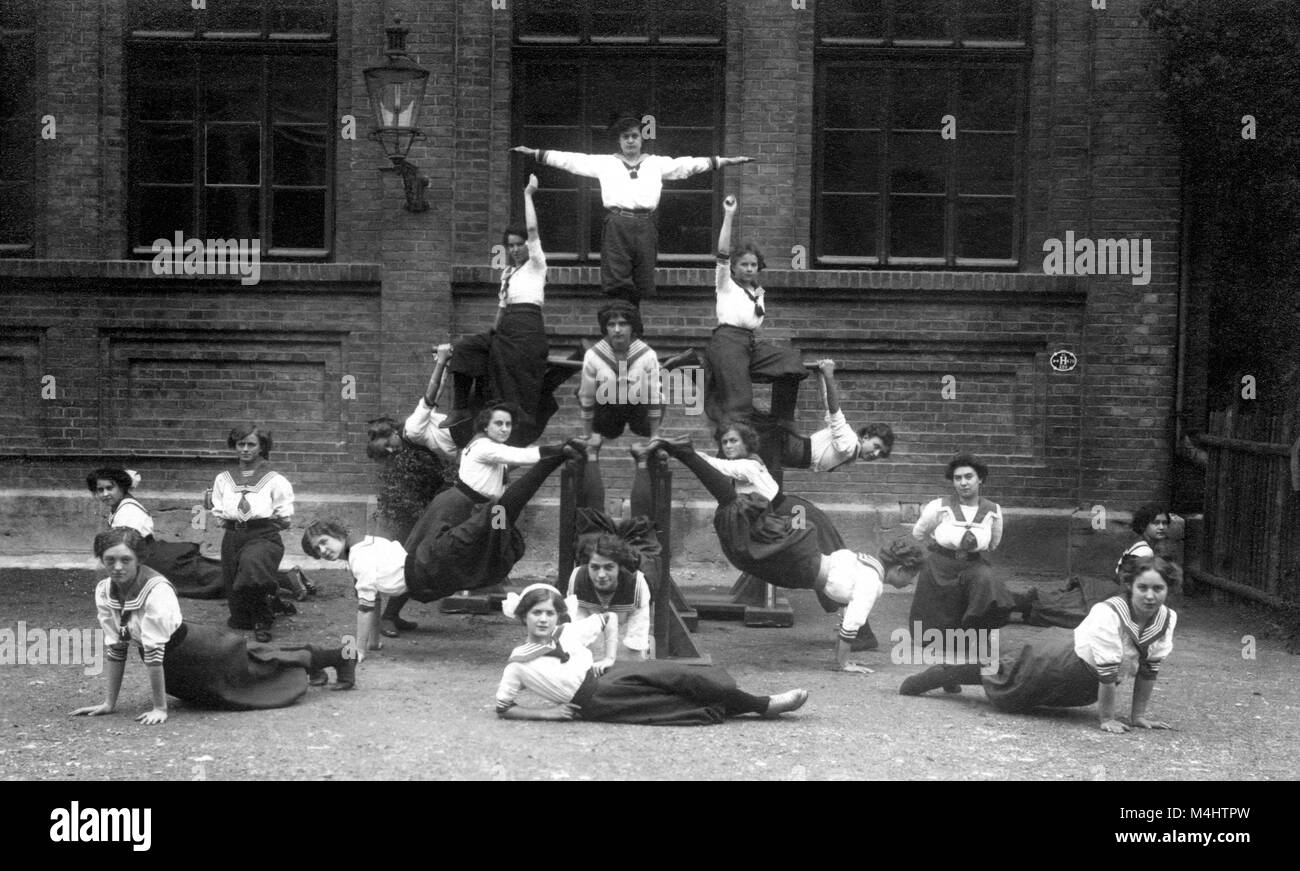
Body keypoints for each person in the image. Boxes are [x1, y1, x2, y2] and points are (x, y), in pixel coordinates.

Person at [647, 429, 924, 667]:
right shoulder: (872, 584)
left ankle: (685, 454)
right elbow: (851, 624)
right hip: (800, 565)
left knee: (736, 519)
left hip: (804, 552)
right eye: (910, 577)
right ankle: (686, 453)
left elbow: (836, 553)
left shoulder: (862, 560)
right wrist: (843, 663)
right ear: (899, 568)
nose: (909, 583)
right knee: (740, 536)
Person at [71, 529, 354, 726]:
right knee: (260, 665)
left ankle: (338, 657)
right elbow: (117, 648)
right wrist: (109, 703)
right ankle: (318, 662)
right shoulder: (104, 591)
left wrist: (160, 707)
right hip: (174, 668)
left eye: (126, 560)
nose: (117, 567)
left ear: (140, 559)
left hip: (201, 652)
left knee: (261, 665)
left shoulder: (156, 589)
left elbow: (155, 652)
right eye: (110, 560)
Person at [900, 555, 1181, 735]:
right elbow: (1107, 674)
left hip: (1084, 683)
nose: (1150, 596)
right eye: (1142, 588)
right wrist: (1106, 718)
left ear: (1168, 590)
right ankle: (943, 674)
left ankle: (951, 673)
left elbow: (1148, 670)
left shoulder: (1167, 619)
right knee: (1007, 679)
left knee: (1011, 678)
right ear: (1130, 587)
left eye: (1158, 589)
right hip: (1060, 663)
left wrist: (1138, 716)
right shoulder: (1109, 613)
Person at [513, 112, 753, 306]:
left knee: (641, 282)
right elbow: (572, 161)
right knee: (618, 282)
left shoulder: (655, 164)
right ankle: (619, 325)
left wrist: (725, 162)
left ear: (641, 139)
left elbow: (688, 165)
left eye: (634, 136)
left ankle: (634, 329)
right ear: (619, 140)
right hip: (618, 225)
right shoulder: (605, 164)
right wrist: (536, 153)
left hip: (645, 226)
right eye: (626, 136)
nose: (630, 141)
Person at [495, 584, 808, 725]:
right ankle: (761, 707)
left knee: (678, 676)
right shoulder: (518, 663)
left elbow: (608, 619)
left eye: (549, 613)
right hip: (596, 700)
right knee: (675, 703)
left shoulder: (568, 632)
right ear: (524, 617)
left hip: (607, 674)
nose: (543, 620)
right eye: (536, 613)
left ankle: (761, 703)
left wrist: (607, 656)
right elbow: (504, 706)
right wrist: (547, 713)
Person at [403, 404, 586, 603]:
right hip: (457, 507)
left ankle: (494, 580)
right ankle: (390, 614)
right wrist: (560, 449)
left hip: (486, 510)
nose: (504, 428)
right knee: (423, 559)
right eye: (498, 423)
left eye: (508, 424)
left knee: (499, 536)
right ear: (485, 426)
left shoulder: (490, 447)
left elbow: (509, 464)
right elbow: (522, 456)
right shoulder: (484, 446)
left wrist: (558, 454)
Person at [443, 175, 552, 443]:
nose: (515, 249)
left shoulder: (537, 265)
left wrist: (528, 195)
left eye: (520, 243)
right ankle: (459, 408)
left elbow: (534, 229)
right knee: (465, 348)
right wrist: (491, 334)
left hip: (527, 329)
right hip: (506, 328)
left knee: (509, 377)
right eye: (511, 245)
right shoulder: (507, 273)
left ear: (529, 244)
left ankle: (511, 423)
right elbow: (501, 309)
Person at [702, 196, 808, 471]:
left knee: (791, 362)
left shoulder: (758, 291)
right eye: (744, 265)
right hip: (727, 342)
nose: (749, 269)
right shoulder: (725, 284)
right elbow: (723, 252)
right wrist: (729, 215)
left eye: (753, 265)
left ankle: (783, 419)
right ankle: (728, 461)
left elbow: (756, 319)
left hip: (749, 345)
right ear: (734, 268)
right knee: (740, 405)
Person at [1024, 503, 1176, 629]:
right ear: (1144, 526)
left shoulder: (1142, 544)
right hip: (1116, 592)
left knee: (1061, 605)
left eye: (1164, 523)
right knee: (1068, 610)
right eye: (1156, 523)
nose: (1161, 527)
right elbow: (1128, 579)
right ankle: (1021, 604)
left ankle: (1024, 604)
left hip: (1115, 589)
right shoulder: (1144, 551)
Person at [210, 423, 294, 643]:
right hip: (233, 536)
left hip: (263, 535)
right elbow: (217, 507)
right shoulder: (224, 478)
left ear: (261, 447)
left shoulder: (274, 479)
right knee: (238, 617)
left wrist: (277, 522)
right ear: (234, 446)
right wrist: (226, 521)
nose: (245, 449)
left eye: (251, 444)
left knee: (252, 568)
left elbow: (284, 513)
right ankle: (273, 602)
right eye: (241, 444)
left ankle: (263, 619)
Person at [87, 467, 225, 599]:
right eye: (100, 490)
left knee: (199, 576)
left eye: (110, 488)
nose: (105, 494)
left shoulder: (127, 510)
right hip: (148, 553)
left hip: (148, 558)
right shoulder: (119, 506)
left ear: (121, 487)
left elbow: (127, 546)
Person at [576, 300, 663, 511]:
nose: (617, 329)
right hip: (607, 416)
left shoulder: (647, 355)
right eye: (611, 324)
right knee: (584, 393)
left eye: (623, 323)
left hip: (638, 413)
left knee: (659, 393)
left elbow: (654, 395)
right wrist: (587, 436)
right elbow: (587, 395)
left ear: (632, 327)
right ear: (605, 327)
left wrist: (655, 435)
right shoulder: (594, 355)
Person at [366, 344, 457, 542]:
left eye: (387, 445)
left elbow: (430, 395)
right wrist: (444, 367)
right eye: (387, 453)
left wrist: (441, 361)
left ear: (390, 431)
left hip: (465, 441)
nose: (391, 450)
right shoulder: (411, 432)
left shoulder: (412, 429)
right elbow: (437, 393)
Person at [755, 359, 895, 473]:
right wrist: (826, 375)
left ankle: (786, 366)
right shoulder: (850, 443)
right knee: (759, 424)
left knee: (757, 424)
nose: (875, 454)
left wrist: (823, 375)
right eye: (876, 446)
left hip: (795, 451)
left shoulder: (850, 448)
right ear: (866, 437)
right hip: (794, 451)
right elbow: (832, 408)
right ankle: (785, 366)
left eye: (880, 453)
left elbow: (829, 406)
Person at [301, 519, 416, 645]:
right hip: (414, 578)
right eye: (317, 549)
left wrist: (359, 649)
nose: (322, 551)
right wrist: (373, 643)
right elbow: (375, 598)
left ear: (336, 534)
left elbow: (366, 608)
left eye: (324, 542)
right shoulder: (360, 543)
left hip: (424, 581)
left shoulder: (359, 556)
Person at [565, 533, 653, 662]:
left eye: (608, 567)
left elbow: (638, 631)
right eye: (594, 567)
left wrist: (633, 664)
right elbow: (578, 627)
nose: (601, 574)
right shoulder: (578, 581)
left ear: (619, 566)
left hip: (625, 621)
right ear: (586, 566)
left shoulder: (637, 585)